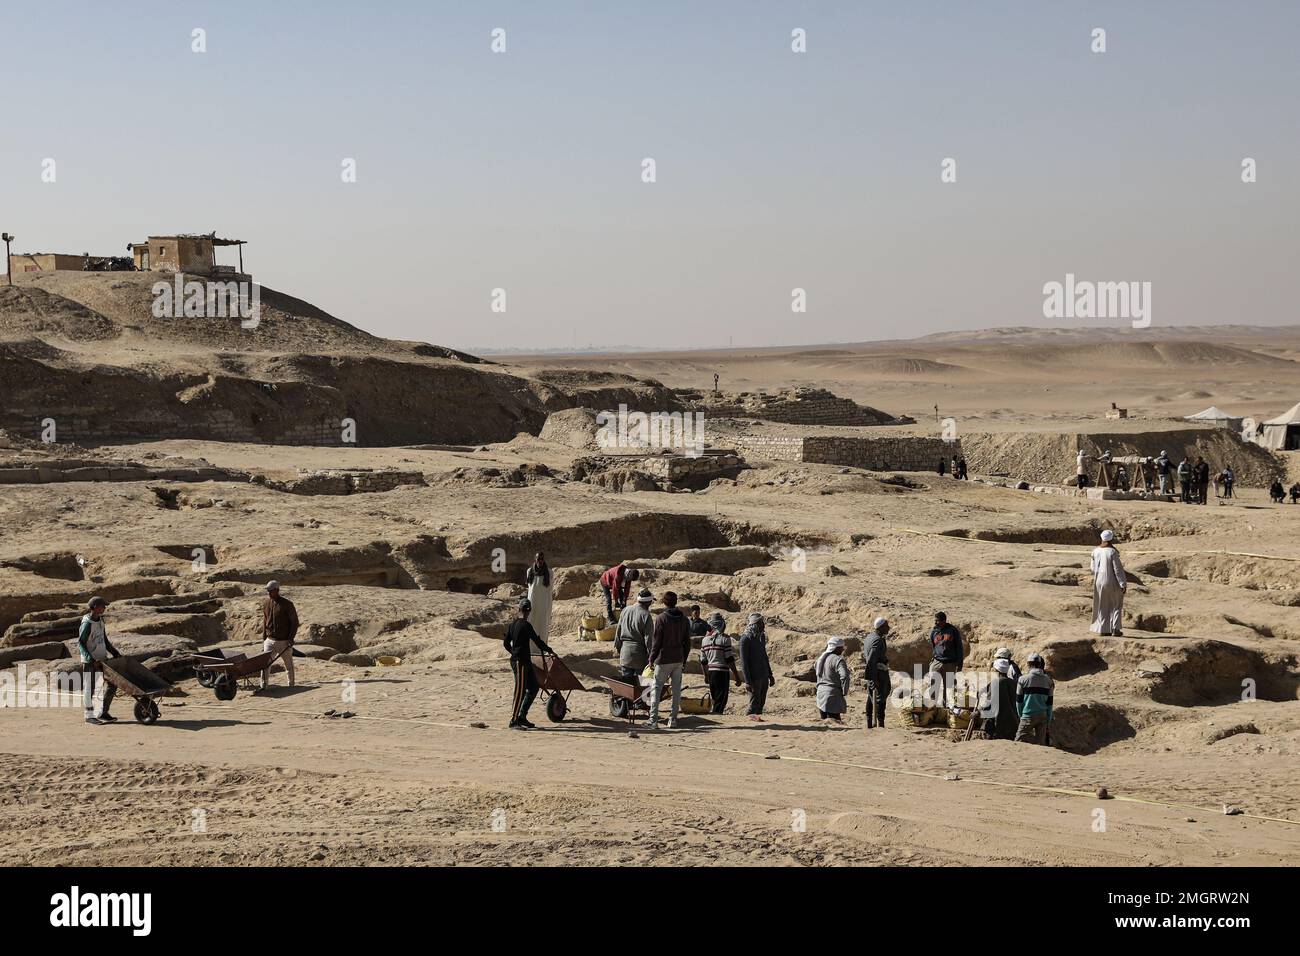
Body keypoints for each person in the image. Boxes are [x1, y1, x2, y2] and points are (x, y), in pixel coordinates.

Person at [503, 598, 554, 729]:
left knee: (533, 687)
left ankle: (522, 717)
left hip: (523, 661)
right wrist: (550, 650)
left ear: (519, 609)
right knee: (520, 691)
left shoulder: (513, 624)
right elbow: (538, 642)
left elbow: (505, 643)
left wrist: (513, 652)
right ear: (529, 611)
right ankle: (513, 721)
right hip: (520, 662)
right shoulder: (526, 625)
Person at [647, 590, 691, 730]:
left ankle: (653, 720)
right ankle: (673, 719)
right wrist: (684, 659)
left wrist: (651, 659)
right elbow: (687, 642)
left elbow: (656, 642)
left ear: (664, 602)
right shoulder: (684, 619)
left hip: (664, 658)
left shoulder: (661, 618)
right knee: (676, 690)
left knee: (656, 688)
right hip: (678, 658)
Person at [78, 596, 121, 725]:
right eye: (103, 606)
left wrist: (115, 652)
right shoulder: (87, 623)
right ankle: (89, 716)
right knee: (90, 688)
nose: (105, 608)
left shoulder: (100, 621)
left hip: (102, 659)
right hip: (90, 662)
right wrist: (90, 658)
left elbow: (104, 640)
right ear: (95, 607)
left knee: (113, 684)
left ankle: (102, 712)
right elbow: (81, 643)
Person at [260, 580, 299, 689]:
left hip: (284, 641)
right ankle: (264, 685)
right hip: (269, 639)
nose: (269, 593)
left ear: (277, 590)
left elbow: (294, 622)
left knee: (289, 665)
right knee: (265, 664)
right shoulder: (266, 603)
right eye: (268, 591)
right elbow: (265, 620)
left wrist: (291, 638)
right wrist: (264, 638)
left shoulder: (287, 604)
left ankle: (291, 685)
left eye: (271, 591)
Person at [700, 612, 741, 714]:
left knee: (715, 698)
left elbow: (703, 661)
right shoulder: (725, 639)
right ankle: (716, 717)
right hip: (722, 672)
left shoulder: (704, 640)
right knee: (721, 699)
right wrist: (736, 675)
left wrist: (705, 675)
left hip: (711, 672)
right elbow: (729, 659)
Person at [737, 612, 775, 721]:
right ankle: (747, 722)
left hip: (763, 676)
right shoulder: (745, 639)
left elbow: (764, 656)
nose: (763, 625)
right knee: (753, 703)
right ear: (755, 624)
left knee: (761, 704)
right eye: (761, 623)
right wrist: (748, 681)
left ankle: (756, 721)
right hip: (754, 678)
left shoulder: (761, 637)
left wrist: (770, 675)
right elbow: (744, 662)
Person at [1089, 530, 1127, 636]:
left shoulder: (1095, 551)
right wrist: (1122, 583)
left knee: (1102, 605)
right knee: (1116, 604)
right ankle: (1115, 628)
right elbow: (1117, 569)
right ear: (1111, 539)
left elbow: (1092, 568)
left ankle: (1103, 629)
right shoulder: (1112, 552)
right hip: (1111, 581)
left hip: (1098, 581)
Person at [614, 588, 654, 681]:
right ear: (648, 602)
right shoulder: (646, 615)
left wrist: (618, 648)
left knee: (627, 684)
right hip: (639, 655)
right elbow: (649, 639)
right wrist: (651, 656)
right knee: (638, 685)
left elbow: (618, 631)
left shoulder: (625, 610)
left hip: (625, 653)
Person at [1014, 652, 1054, 745]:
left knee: (1018, 741)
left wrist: (1021, 715)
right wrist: (1048, 719)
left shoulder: (1022, 680)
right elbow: (1050, 703)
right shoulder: (1049, 681)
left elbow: (1018, 702)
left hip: (1027, 715)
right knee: (1040, 744)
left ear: (1028, 664)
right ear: (1040, 664)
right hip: (1042, 716)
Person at [928, 611, 964, 707]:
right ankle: (932, 706)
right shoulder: (934, 631)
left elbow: (959, 647)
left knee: (948, 687)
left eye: (937, 621)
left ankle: (946, 708)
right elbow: (933, 645)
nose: (935, 623)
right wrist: (933, 658)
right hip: (937, 662)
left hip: (950, 663)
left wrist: (960, 663)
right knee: (933, 684)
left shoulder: (952, 631)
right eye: (935, 621)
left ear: (944, 621)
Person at [980, 656, 1020, 740]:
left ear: (996, 670)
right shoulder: (1013, 683)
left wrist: (978, 712)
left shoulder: (996, 682)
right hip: (1013, 723)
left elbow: (988, 703)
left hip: (998, 724)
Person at [862, 617, 891, 729]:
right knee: (880, 699)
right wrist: (874, 678)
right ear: (881, 627)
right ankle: (880, 724)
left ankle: (870, 723)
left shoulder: (871, 637)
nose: (888, 628)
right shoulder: (877, 640)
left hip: (875, 671)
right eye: (886, 626)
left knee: (871, 697)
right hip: (878, 672)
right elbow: (872, 660)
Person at [814, 637, 851, 722]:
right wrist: (844, 691)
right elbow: (845, 676)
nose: (843, 650)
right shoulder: (838, 660)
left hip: (820, 695)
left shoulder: (820, 658)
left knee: (825, 723)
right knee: (835, 722)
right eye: (842, 648)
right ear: (837, 648)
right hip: (832, 696)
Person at [524, 551, 553, 643]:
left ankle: (541, 647)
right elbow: (529, 588)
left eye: (542, 559)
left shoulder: (549, 572)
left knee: (542, 624)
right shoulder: (529, 571)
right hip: (532, 603)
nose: (540, 561)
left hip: (543, 603)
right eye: (538, 559)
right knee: (531, 622)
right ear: (535, 559)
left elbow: (549, 590)